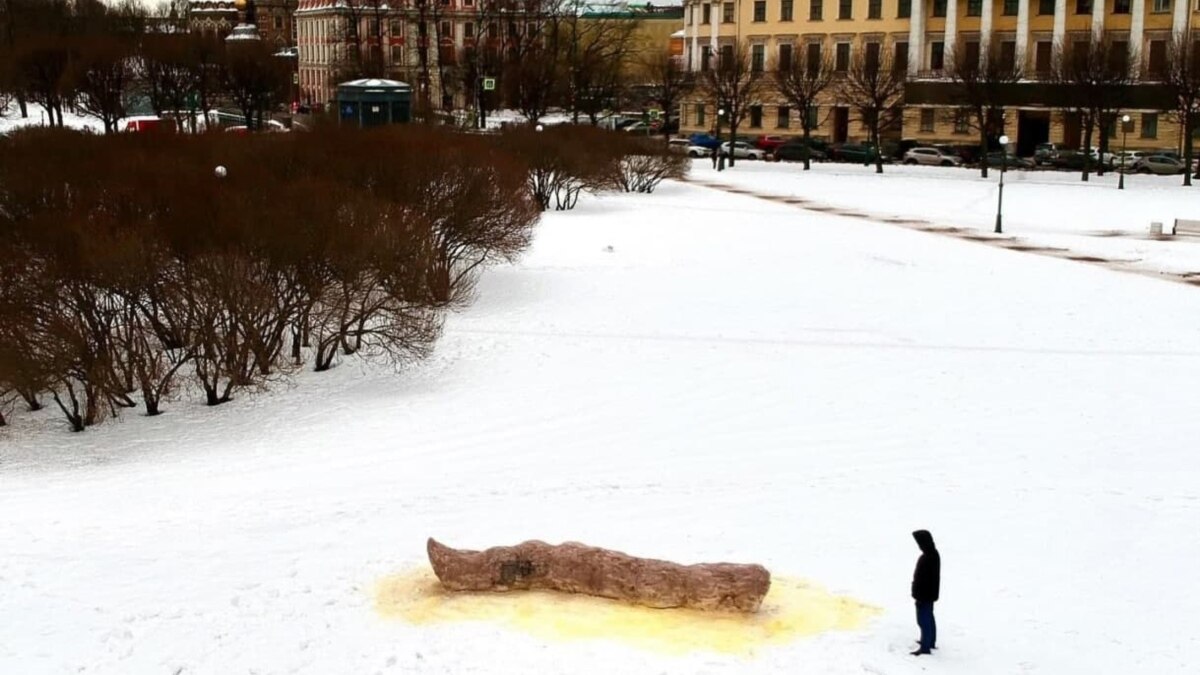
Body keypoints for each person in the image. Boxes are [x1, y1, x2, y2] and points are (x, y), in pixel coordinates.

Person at [910, 529, 940, 656]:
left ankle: (925, 647)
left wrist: (918, 593)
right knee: (928, 618)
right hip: (928, 594)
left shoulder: (929, 557)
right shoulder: (932, 554)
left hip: (924, 595)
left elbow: (925, 579)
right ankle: (929, 641)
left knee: (923, 620)